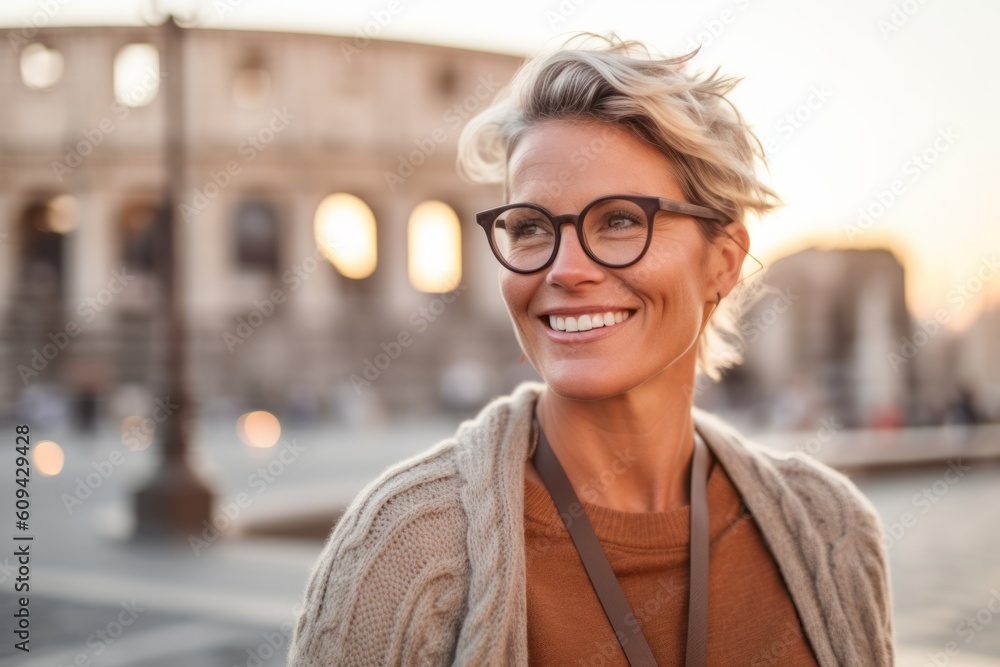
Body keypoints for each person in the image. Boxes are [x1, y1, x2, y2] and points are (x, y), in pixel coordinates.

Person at [287, 33, 894, 666]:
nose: (566, 269)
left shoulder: (834, 530)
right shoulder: (402, 551)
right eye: (529, 228)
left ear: (723, 262)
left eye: (621, 220)